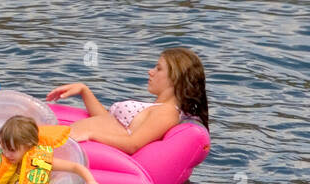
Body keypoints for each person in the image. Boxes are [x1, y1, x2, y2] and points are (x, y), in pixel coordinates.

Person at [44, 47, 209, 154]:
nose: (150, 72)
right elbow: (109, 121)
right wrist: (84, 90)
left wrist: (91, 134)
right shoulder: (158, 107)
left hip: (71, 146)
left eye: (158, 69)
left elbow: (133, 144)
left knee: (21, 136)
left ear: (175, 79)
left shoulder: (167, 112)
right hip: (67, 140)